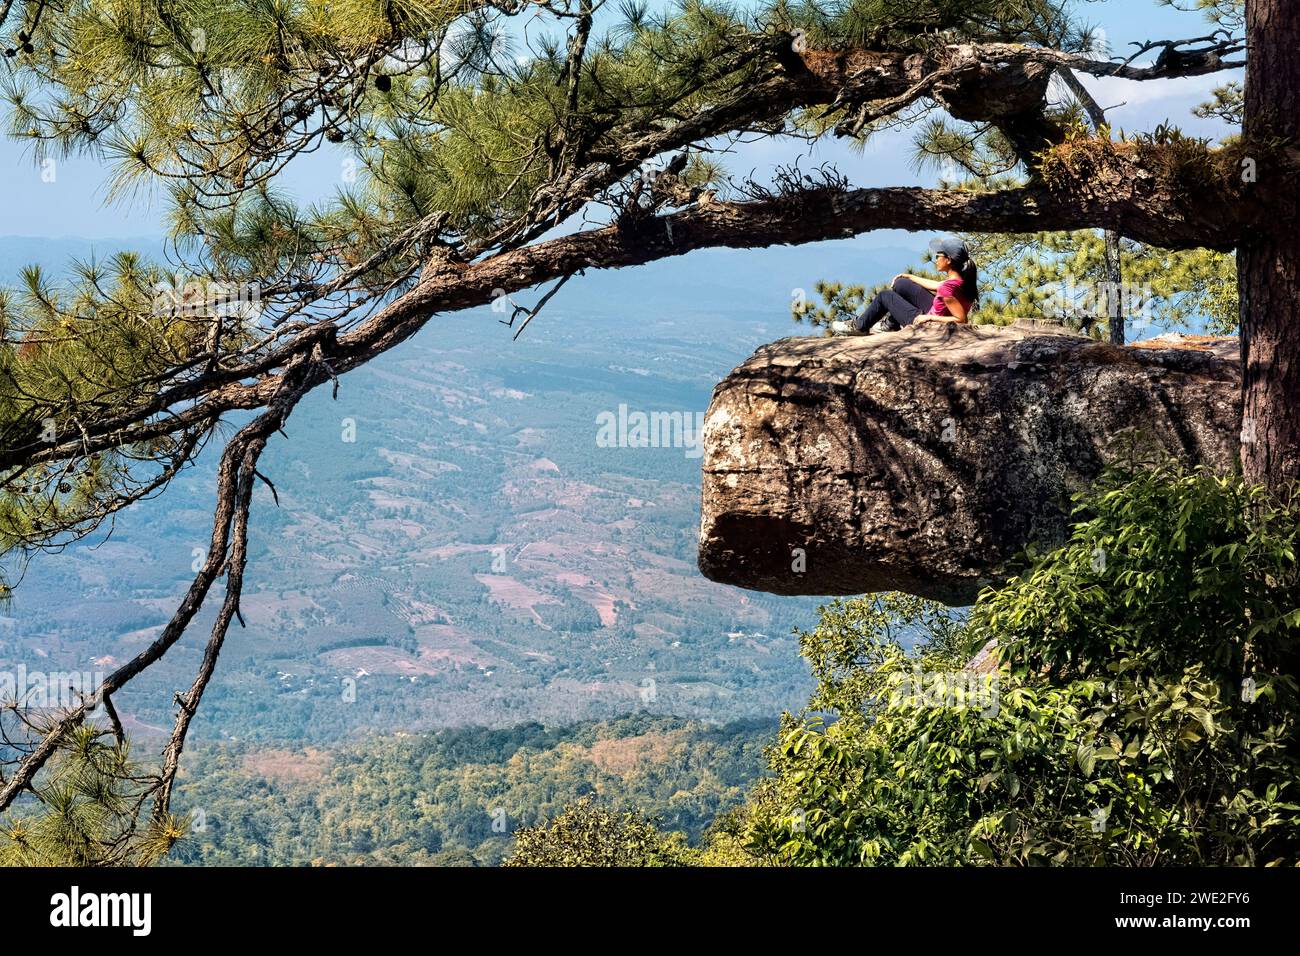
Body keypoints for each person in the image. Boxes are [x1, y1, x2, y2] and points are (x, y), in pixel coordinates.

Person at [831, 237, 978, 335]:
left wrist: (927, 318)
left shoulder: (948, 288)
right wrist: (909, 276)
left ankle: (859, 327)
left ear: (949, 260)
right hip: (935, 315)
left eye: (938, 256)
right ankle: (890, 325)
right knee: (902, 284)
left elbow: (961, 319)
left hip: (928, 326)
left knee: (885, 296)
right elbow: (939, 286)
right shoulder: (960, 281)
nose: (936, 259)